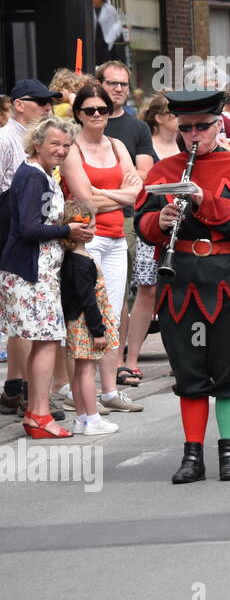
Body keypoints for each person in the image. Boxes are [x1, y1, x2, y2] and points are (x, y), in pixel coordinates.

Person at [137, 87, 230, 483]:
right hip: (181, 277)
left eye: (203, 126)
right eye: (187, 127)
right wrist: (157, 223)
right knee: (189, 370)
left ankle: (229, 452)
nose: (194, 134)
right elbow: (143, 224)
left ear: (218, 125)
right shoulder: (164, 171)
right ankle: (192, 456)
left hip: (229, 275)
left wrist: (203, 199)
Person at [1, 116, 96, 438]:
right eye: (55, 143)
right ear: (37, 143)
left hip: (38, 271)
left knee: (46, 340)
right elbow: (29, 228)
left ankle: (36, 413)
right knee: (45, 341)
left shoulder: (39, 174)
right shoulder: (33, 177)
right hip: (31, 273)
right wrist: (68, 229)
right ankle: (39, 414)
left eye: (67, 145)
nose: (61, 150)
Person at [61, 83, 144, 412]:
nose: (96, 115)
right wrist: (117, 196)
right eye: (89, 110)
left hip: (115, 238)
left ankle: (109, 390)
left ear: (110, 113)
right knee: (84, 315)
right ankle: (78, 392)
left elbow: (136, 194)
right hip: (86, 239)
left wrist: (101, 195)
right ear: (78, 114)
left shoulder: (117, 145)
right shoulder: (72, 149)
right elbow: (84, 200)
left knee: (111, 314)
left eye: (102, 110)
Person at [0, 79, 58, 417]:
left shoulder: (33, 139)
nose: (47, 106)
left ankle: (15, 386)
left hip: (23, 226)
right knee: (24, 315)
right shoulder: (7, 137)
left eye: (49, 101)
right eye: (39, 101)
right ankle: (27, 393)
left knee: (19, 315)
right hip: (12, 228)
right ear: (19, 104)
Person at [121, 96, 181, 383]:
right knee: (147, 292)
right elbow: (142, 180)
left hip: (182, 224)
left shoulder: (186, 142)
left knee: (177, 292)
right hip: (154, 219)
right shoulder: (150, 145)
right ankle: (131, 358)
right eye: (173, 113)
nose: (179, 118)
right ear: (159, 117)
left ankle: (178, 356)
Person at [58, 200, 119, 436]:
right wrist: (98, 331)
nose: (94, 231)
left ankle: (82, 418)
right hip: (86, 323)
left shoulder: (71, 258)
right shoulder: (82, 262)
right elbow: (88, 299)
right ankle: (92, 418)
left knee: (79, 370)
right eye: (90, 227)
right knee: (86, 370)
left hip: (76, 321)